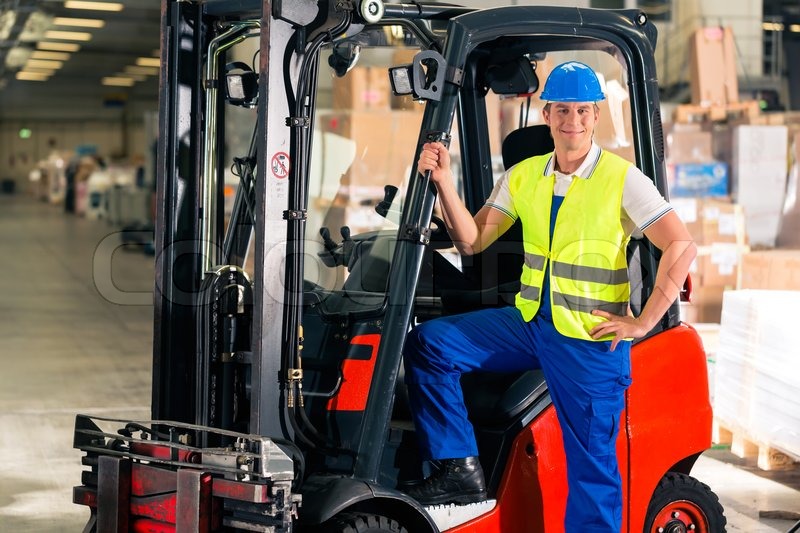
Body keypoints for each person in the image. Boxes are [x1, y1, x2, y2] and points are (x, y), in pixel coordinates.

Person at [401, 61, 697, 532]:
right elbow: (472, 240)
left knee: (592, 472)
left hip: (587, 340)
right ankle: (458, 470)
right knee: (429, 345)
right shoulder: (523, 177)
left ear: (596, 115)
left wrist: (643, 321)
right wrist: (443, 183)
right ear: (547, 114)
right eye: (562, 110)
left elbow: (680, 244)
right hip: (530, 323)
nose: (571, 120)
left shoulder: (623, 179)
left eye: (581, 111)